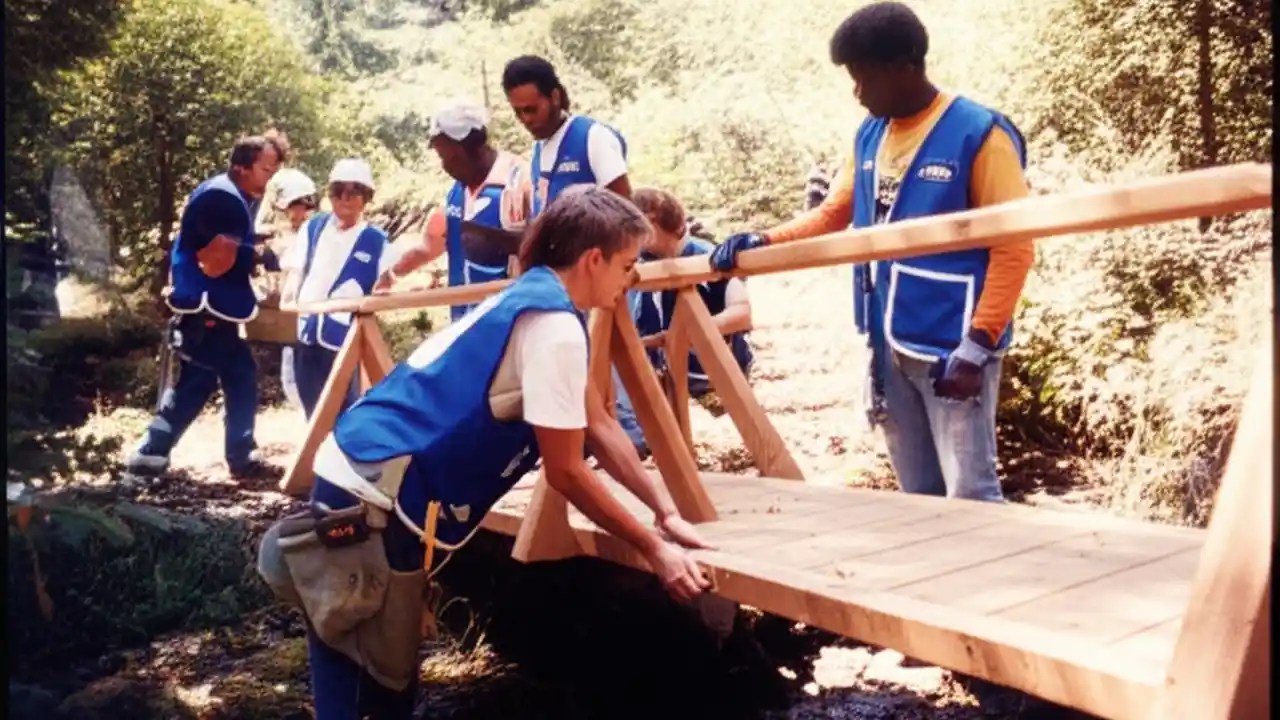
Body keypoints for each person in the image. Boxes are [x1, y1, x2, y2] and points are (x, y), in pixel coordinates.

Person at [257, 187, 713, 720]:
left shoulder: (534, 294)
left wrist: (665, 511)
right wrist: (654, 550)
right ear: (594, 259)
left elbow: (598, 423)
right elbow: (566, 472)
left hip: (363, 463)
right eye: (628, 265)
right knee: (371, 677)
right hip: (375, 487)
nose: (630, 281)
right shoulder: (556, 329)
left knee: (362, 661)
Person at [709, 1, 1033, 503]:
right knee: (916, 493)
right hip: (887, 338)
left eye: (865, 79)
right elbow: (835, 212)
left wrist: (978, 344)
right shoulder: (871, 134)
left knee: (971, 492)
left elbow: (1015, 244)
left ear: (905, 65)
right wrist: (764, 239)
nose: (858, 94)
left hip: (953, 340)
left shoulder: (979, 134)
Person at [125, 133, 286, 479]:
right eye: (265, 169)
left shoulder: (229, 193)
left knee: (239, 375)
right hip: (205, 307)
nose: (269, 176)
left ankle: (240, 456)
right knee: (197, 383)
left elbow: (217, 244)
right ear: (242, 167)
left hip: (213, 307)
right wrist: (258, 255)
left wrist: (253, 246)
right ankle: (148, 456)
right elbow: (216, 262)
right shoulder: (223, 198)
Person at [616, 187, 754, 455]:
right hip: (660, 367)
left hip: (711, 367)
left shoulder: (706, 255)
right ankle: (653, 450)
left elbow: (742, 314)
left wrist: (688, 333)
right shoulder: (639, 264)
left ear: (653, 221)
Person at [373, 101, 531, 322]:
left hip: (510, 323)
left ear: (477, 145)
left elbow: (547, 248)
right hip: (464, 324)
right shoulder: (456, 193)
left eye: (453, 157)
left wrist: (493, 239)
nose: (447, 166)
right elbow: (430, 246)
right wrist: (391, 275)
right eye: (442, 158)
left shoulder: (518, 181)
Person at [280, 158, 395, 419]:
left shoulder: (376, 241)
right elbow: (295, 271)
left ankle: (343, 458)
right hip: (306, 333)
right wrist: (288, 307)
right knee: (312, 408)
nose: (345, 198)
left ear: (366, 198)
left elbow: (386, 286)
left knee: (345, 409)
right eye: (338, 191)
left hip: (344, 340)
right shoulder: (313, 227)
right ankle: (317, 458)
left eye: (354, 191)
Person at [501, 54, 631, 214]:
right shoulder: (538, 148)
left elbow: (627, 217)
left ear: (555, 97)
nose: (525, 119)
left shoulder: (593, 138)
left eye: (531, 110)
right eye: (518, 112)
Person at [266, 168, 319, 412]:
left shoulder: (317, 234)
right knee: (293, 384)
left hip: (313, 323)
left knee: (304, 387)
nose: (292, 215)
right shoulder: (294, 235)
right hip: (293, 322)